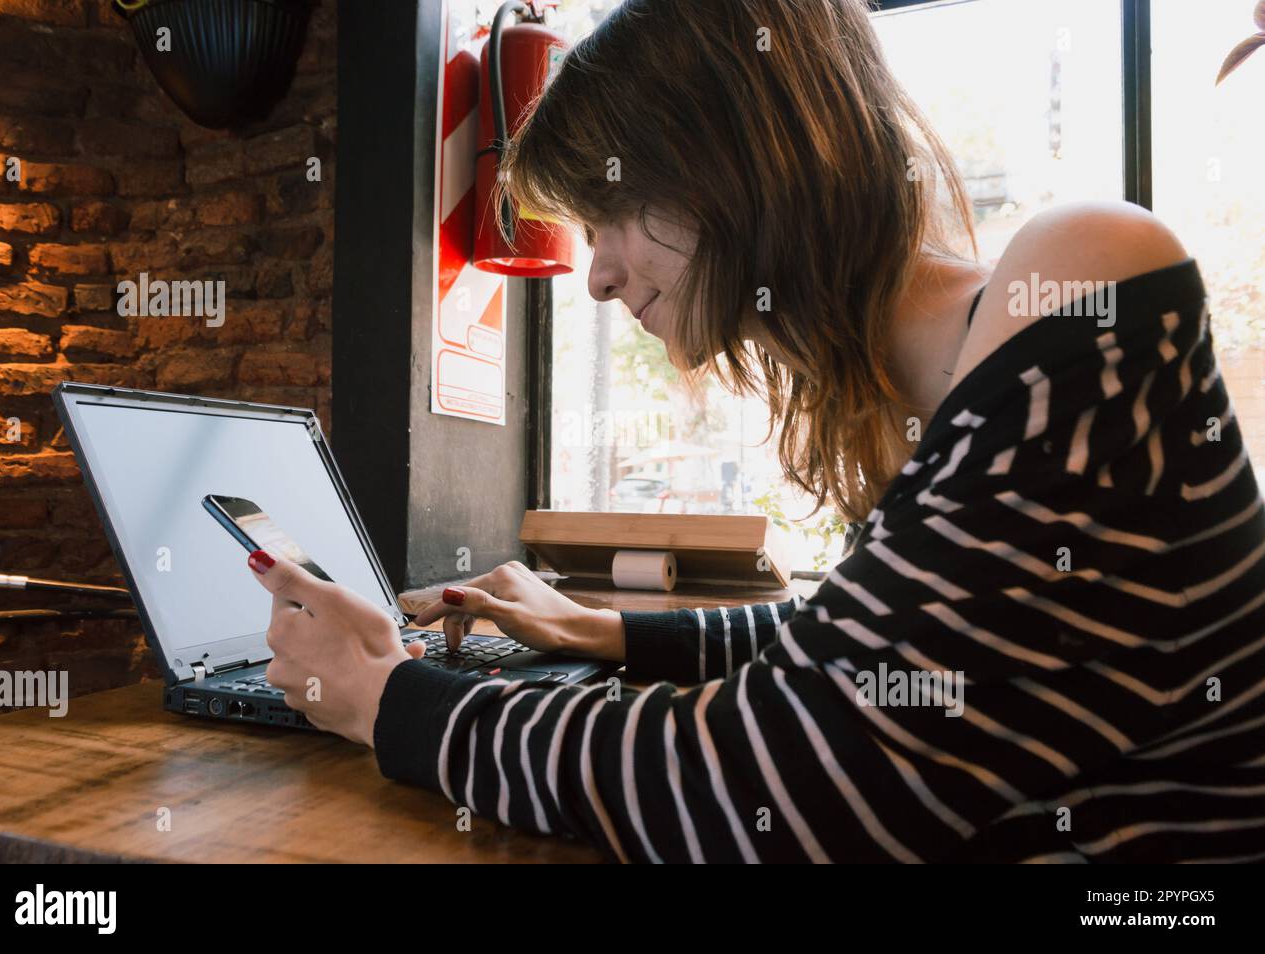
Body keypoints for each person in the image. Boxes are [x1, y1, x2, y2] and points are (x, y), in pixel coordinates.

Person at [243, 0, 1265, 862]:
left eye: (609, 213)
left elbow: (803, 773)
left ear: (726, 163)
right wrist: (609, 631)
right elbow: (881, 654)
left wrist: (389, 699)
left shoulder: (1087, 269)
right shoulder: (950, 387)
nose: (593, 275)